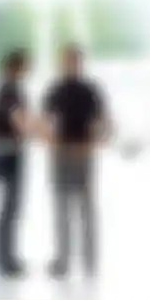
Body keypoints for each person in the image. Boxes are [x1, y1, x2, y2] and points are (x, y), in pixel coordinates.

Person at [42, 44, 110, 279]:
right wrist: (50, 141)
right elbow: (45, 120)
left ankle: (90, 262)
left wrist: (96, 141)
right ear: (62, 63)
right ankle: (63, 261)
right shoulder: (55, 90)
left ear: (81, 63)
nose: (71, 64)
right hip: (60, 154)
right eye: (67, 60)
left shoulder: (90, 90)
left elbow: (104, 119)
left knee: (86, 208)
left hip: (83, 153)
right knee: (61, 209)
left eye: (75, 60)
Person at [0, 49, 31, 277]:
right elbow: (17, 119)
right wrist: (37, 133)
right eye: (26, 65)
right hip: (10, 151)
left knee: (8, 206)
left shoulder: (2, 87)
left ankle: (6, 258)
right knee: (11, 206)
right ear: (17, 66)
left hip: (1, 149)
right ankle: (7, 261)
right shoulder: (11, 88)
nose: (28, 70)